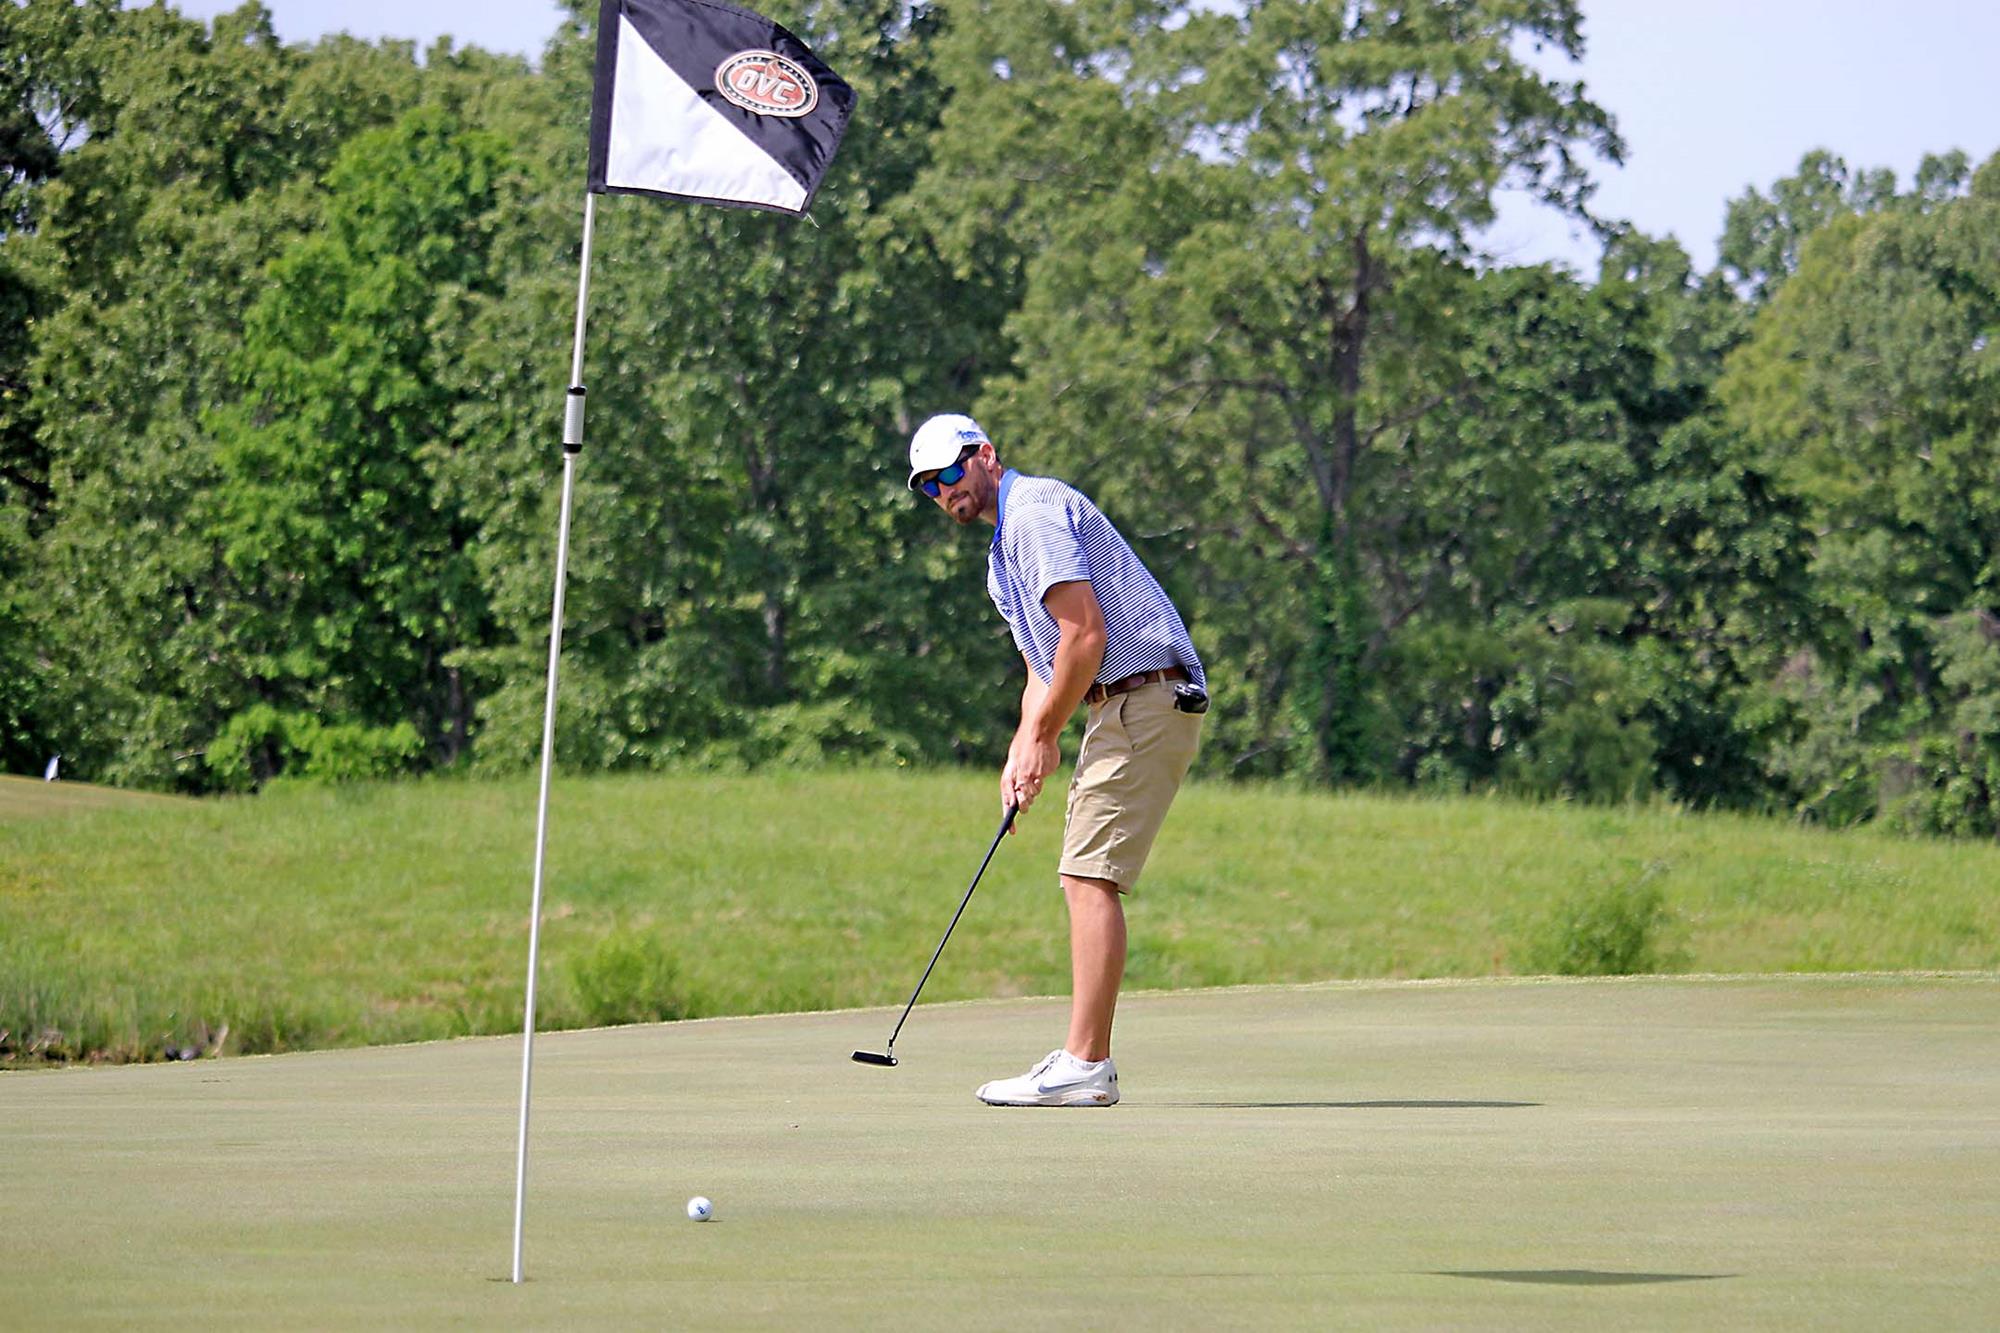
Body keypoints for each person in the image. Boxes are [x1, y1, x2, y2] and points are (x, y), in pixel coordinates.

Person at [906, 412, 1207, 1107]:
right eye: (928, 487)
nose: (944, 490)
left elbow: (1086, 634)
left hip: (1143, 692)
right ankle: (1084, 1059)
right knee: (1083, 873)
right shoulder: (1000, 558)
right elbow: (1045, 667)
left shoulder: (1031, 514)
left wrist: (1045, 734)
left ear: (985, 454)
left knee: (1088, 875)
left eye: (951, 470)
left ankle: (1086, 1063)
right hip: (1122, 702)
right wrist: (1023, 746)